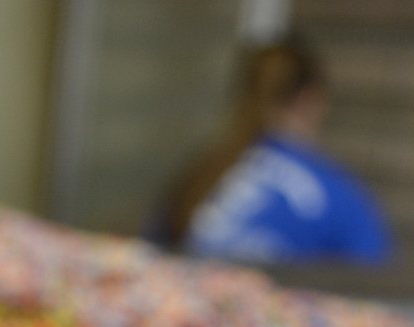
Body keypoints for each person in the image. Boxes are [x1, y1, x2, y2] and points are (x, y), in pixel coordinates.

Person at [154, 36, 392, 266]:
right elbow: (376, 290)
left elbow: (150, 255)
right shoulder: (340, 198)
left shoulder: (204, 171)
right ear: (309, 99)